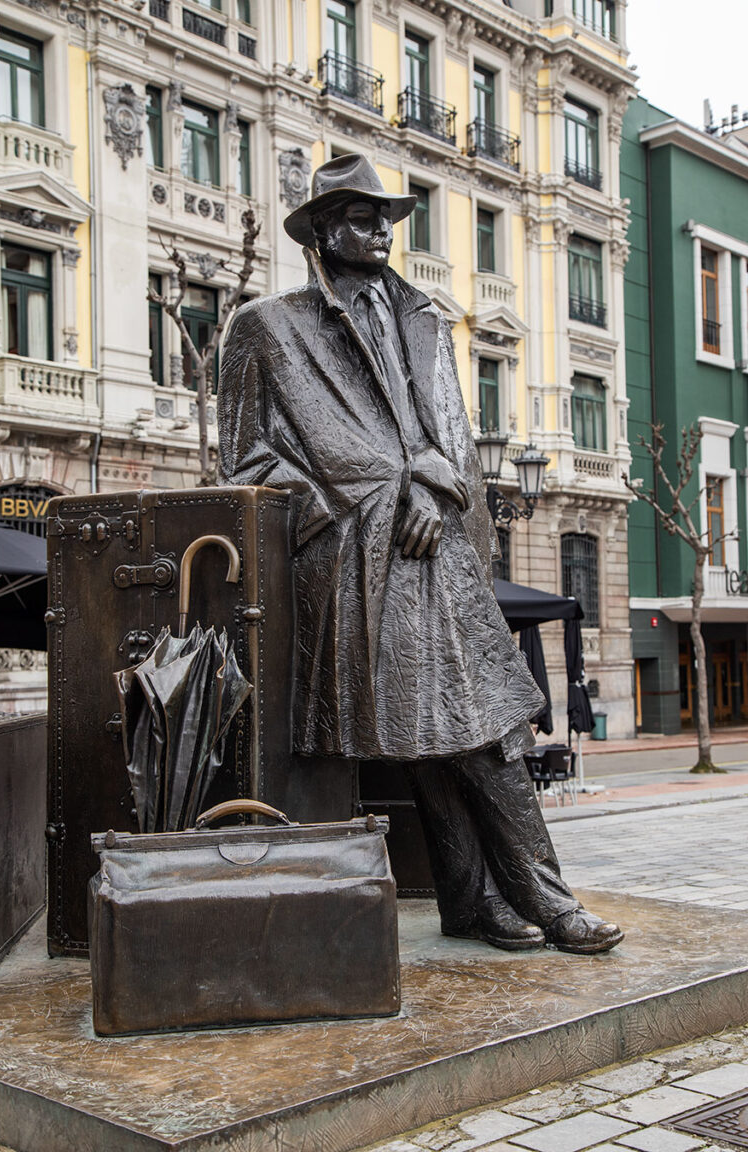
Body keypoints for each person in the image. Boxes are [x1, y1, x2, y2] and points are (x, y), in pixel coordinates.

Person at [218, 154, 622, 955]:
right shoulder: (268, 327)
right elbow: (245, 462)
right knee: (461, 731)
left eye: (386, 218)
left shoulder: (425, 318)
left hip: (440, 551)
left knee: (463, 728)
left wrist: (438, 489)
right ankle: (533, 901)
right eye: (362, 217)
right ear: (323, 230)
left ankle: (485, 901)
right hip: (356, 560)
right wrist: (358, 500)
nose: (382, 231)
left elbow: (455, 440)